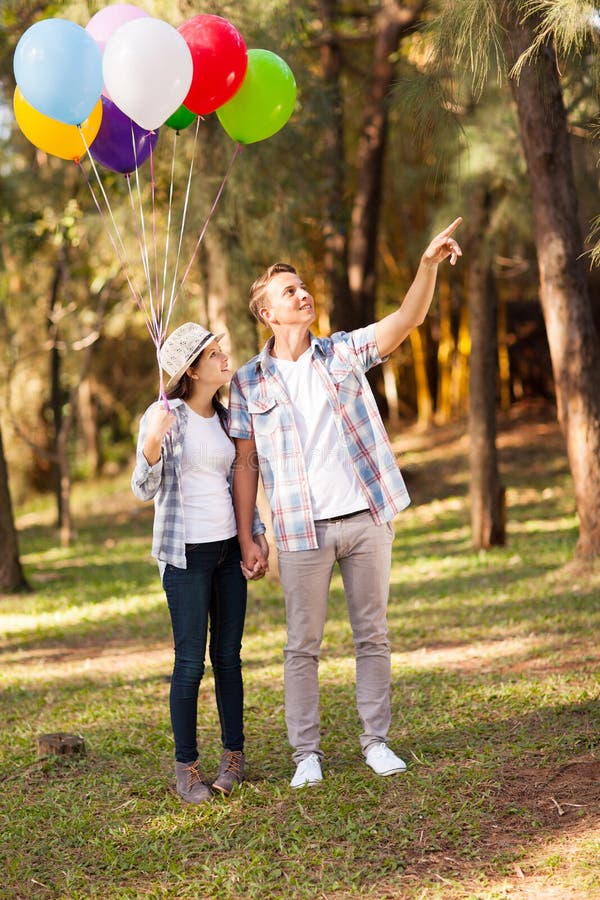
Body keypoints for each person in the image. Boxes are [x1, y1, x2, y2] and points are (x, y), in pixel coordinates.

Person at [229, 219, 463, 788]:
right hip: (300, 530)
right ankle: (305, 754)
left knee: (373, 635)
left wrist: (426, 266)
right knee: (301, 645)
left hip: (365, 518)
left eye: (303, 286)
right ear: (268, 314)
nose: (303, 294)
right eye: (289, 291)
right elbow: (245, 463)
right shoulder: (247, 382)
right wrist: (248, 535)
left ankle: (375, 742)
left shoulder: (341, 353)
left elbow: (407, 321)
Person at [131, 322, 268, 804]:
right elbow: (142, 488)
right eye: (214, 354)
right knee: (189, 663)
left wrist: (255, 535)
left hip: (229, 550)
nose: (225, 359)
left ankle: (234, 756)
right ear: (191, 368)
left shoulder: (230, 419)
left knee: (228, 658)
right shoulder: (163, 414)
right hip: (186, 555)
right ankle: (187, 768)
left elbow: (241, 485)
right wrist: (152, 441)